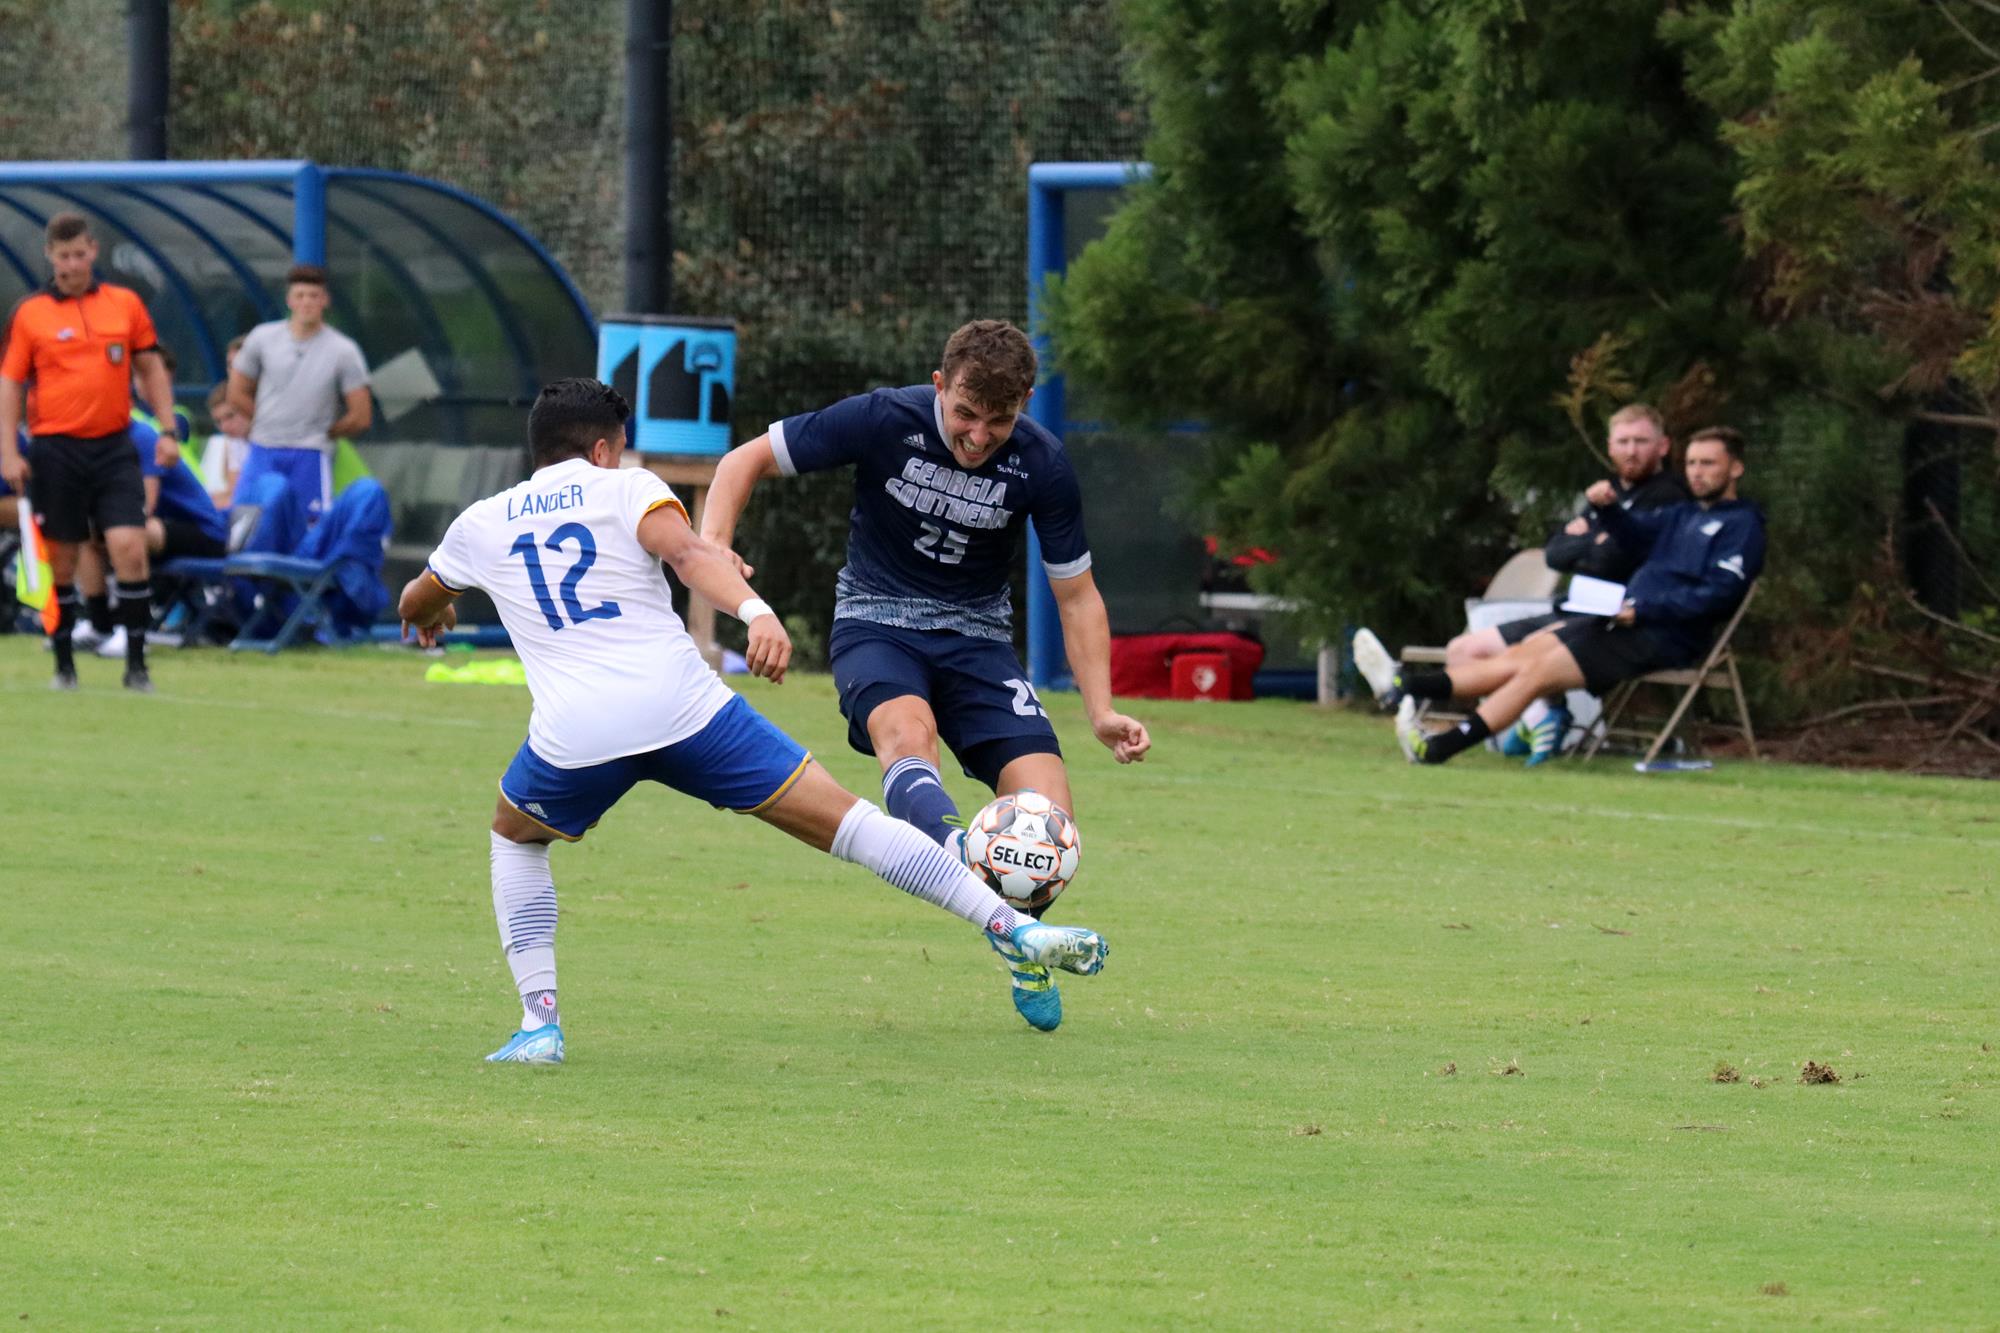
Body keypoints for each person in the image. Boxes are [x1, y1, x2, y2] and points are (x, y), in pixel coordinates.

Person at [396, 378, 1111, 1065]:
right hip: (687, 710)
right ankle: (1012, 925)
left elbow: (416, 598)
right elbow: (688, 555)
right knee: (855, 826)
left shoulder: (479, 523)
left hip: (575, 732)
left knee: (515, 839)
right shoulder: (630, 486)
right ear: (607, 450)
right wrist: (755, 611)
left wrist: (434, 614)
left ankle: (537, 1024)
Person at [697, 319, 1151, 1032]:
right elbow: (743, 460)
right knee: (908, 735)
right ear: (940, 386)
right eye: (965, 414)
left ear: (1024, 405)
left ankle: (1016, 939)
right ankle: (990, 909)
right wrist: (716, 544)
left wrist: (1101, 711)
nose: (977, 436)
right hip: (877, 622)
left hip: (977, 641)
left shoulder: (1042, 463)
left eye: (998, 421)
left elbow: (1077, 593)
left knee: (1051, 818)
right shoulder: (885, 418)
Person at [1369, 427, 1764, 766]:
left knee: (1536, 674)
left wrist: (1643, 609)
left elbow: (1720, 594)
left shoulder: (1742, 526)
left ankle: (1438, 746)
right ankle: (1405, 686)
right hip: (1619, 619)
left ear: (1736, 469)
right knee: (1523, 653)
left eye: (1708, 464)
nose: (1697, 472)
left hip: (1663, 636)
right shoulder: (1682, 514)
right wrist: (1605, 510)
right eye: (1692, 463)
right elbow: (1632, 534)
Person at [0, 211, 178, 691]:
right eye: (63, 256)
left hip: (114, 445)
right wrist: (7, 450)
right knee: (62, 555)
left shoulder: (124, 304)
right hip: (55, 449)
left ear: (93, 252)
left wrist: (167, 429)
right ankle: (64, 665)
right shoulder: (31, 312)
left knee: (128, 545)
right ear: (49, 256)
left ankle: (137, 666)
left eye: (80, 254)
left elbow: (151, 368)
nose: (72, 265)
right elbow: (11, 382)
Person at [226, 264, 371, 521]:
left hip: (311, 453)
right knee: (246, 520)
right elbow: (236, 392)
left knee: (309, 524)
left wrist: (325, 431)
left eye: (314, 296)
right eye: (300, 295)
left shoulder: (343, 350)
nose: (307, 302)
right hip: (263, 448)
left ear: (325, 300)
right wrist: (265, 419)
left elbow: (361, 415)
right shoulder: (262, 337)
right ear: (289, 299)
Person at [200, 383, 252, 507]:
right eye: (218, 421)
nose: (224, 427)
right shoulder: (235, 442)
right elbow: (234, 492)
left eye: (230, 416)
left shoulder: (271, 440)